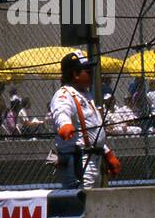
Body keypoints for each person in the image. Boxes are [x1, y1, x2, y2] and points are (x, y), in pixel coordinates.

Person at [49, 52, 121, 188]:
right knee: (81, 202)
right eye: (87, 71)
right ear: (75, 74)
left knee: (93, 203)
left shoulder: (86, 95)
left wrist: (107, 153)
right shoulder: (64, 94)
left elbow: (93, 130)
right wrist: (65, 125)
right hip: (78, 162)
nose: (92, 74)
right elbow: (61, 111)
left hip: (94, 160)